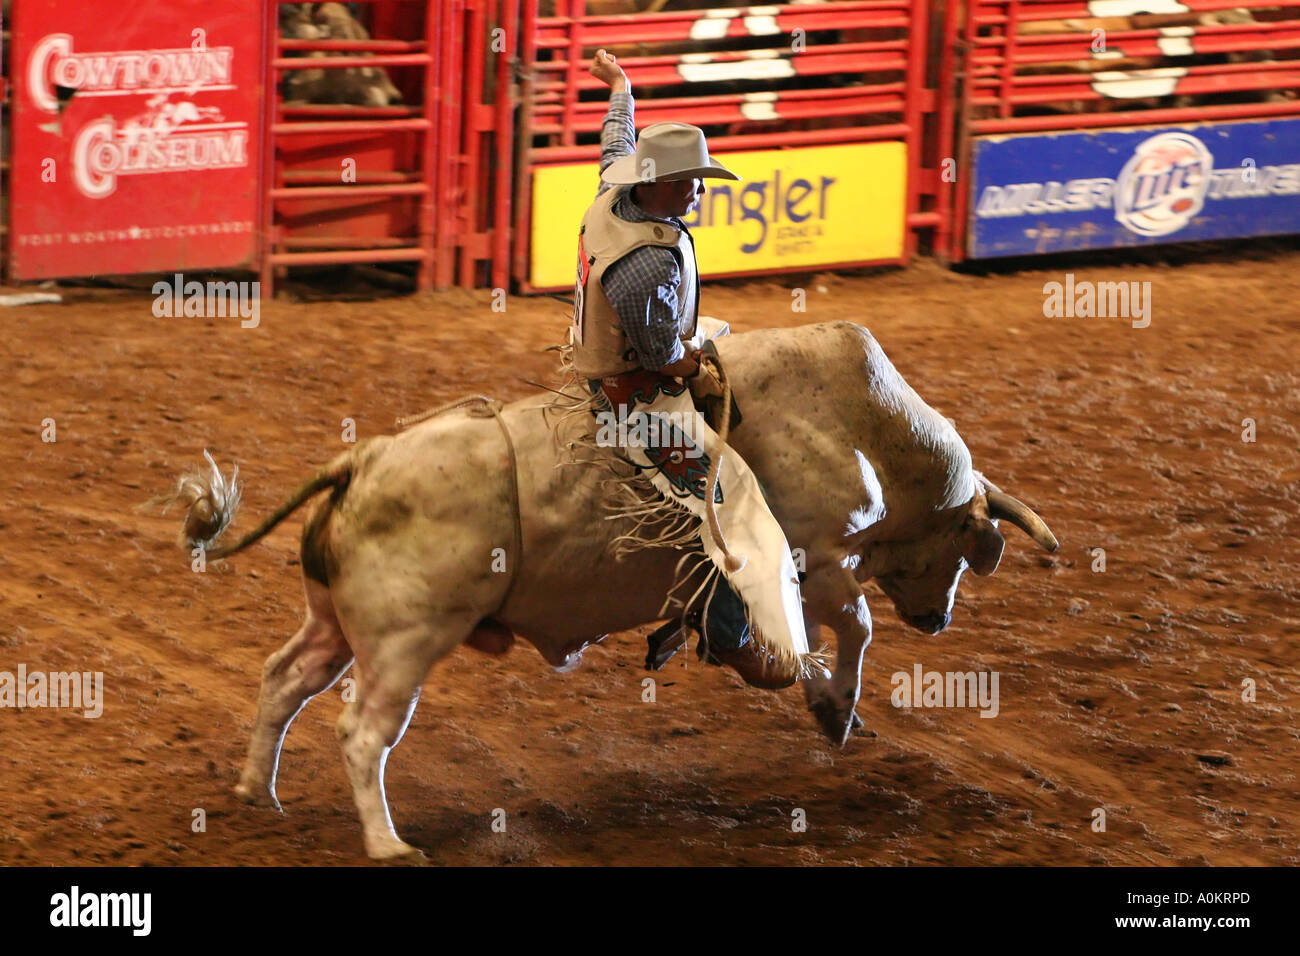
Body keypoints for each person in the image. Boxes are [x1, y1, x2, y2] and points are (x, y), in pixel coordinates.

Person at [567, 49, 816, 688]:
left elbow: (615, 133)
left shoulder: (616, 190)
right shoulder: (648, 262)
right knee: (734, 505)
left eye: (698, 178)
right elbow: (660, 356)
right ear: (651, 184)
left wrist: (620, 84)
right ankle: (728, 635)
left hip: (610, 348)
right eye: (685, 182)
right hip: (636, 398)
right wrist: (693, 370)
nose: (697, 190)